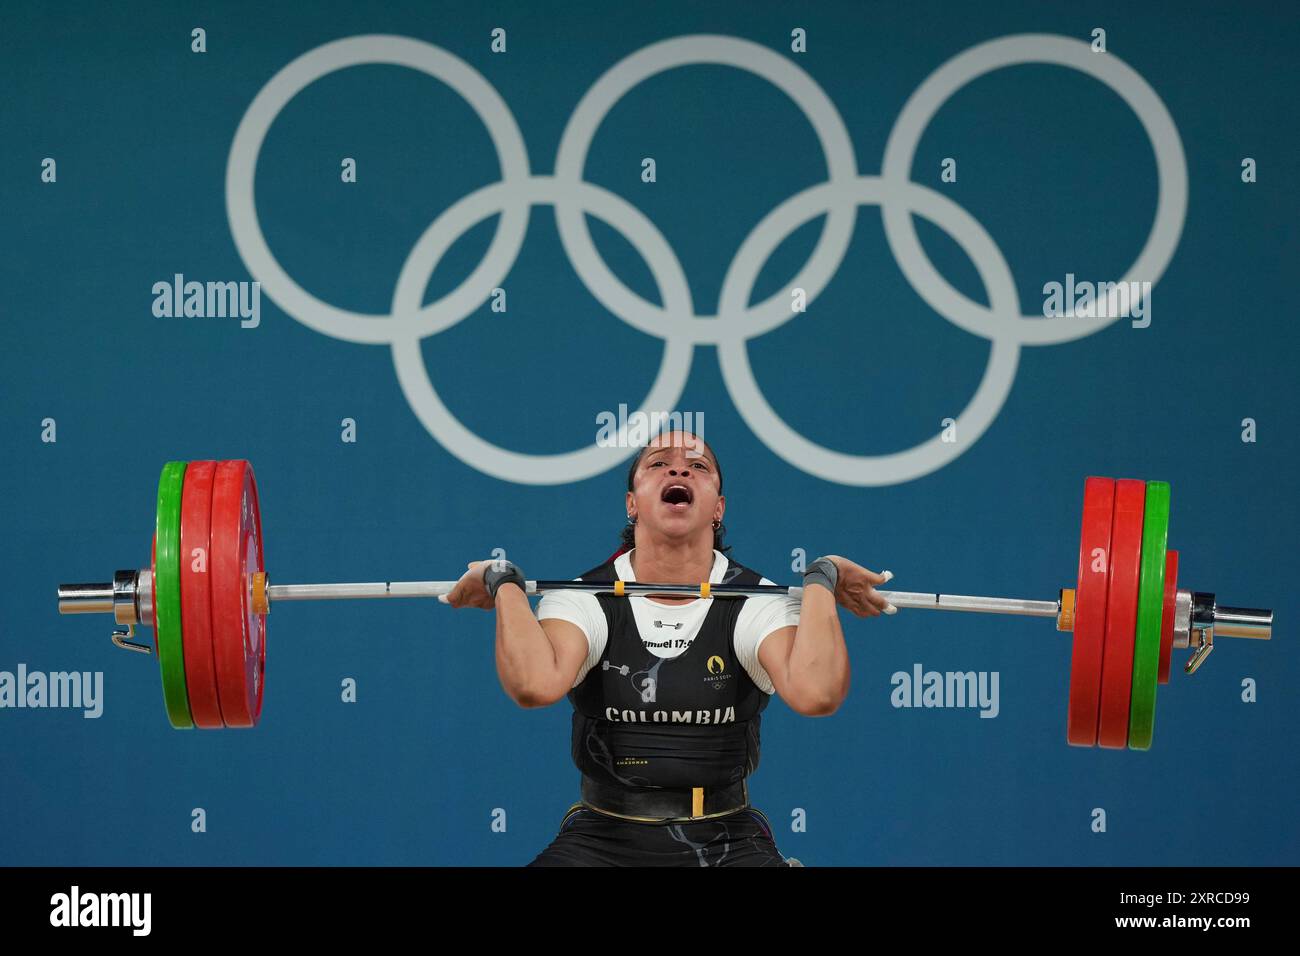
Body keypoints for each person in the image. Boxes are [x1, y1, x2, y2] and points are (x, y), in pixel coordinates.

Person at [442, 429, 894, 866]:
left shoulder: (756, 602)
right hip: (601, 837)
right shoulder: (585, 599)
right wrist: (506, 585)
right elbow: (533, 685)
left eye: (698, 466)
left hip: (726, 839)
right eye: (659, 464)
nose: (678, 470)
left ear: (717, 508)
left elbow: (817, 694)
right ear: (632, 504)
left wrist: (819, 579)